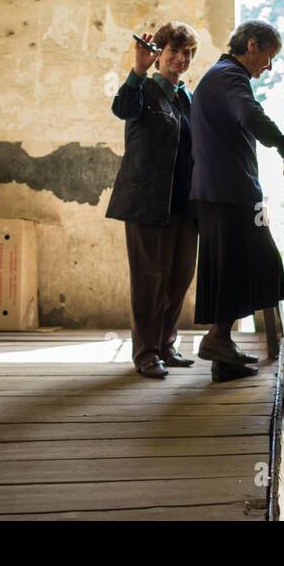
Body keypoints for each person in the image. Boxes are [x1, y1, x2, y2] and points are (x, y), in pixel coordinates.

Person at [188, 19, 284, 381]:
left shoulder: (219, 75)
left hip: (218, 191)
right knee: (260, 264)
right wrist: (282, 144)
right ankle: (217, 338)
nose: (269, 66)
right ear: (251, 45)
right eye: (269, 56)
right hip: (228, 192)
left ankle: (223, 359)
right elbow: (249, 115)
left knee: (231, 268)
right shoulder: (229, 76)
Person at [105, 22, 200, 379]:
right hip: (147, 203)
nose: (181, 59)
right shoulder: (142, 89)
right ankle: (145, 353)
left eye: (187, 53)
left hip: (185, 205)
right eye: (174, 51)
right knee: (149, 280)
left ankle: (165, 345)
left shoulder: (187, 98)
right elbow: (121, 108)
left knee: (178, 278)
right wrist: (138, 69)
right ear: (159, 53)